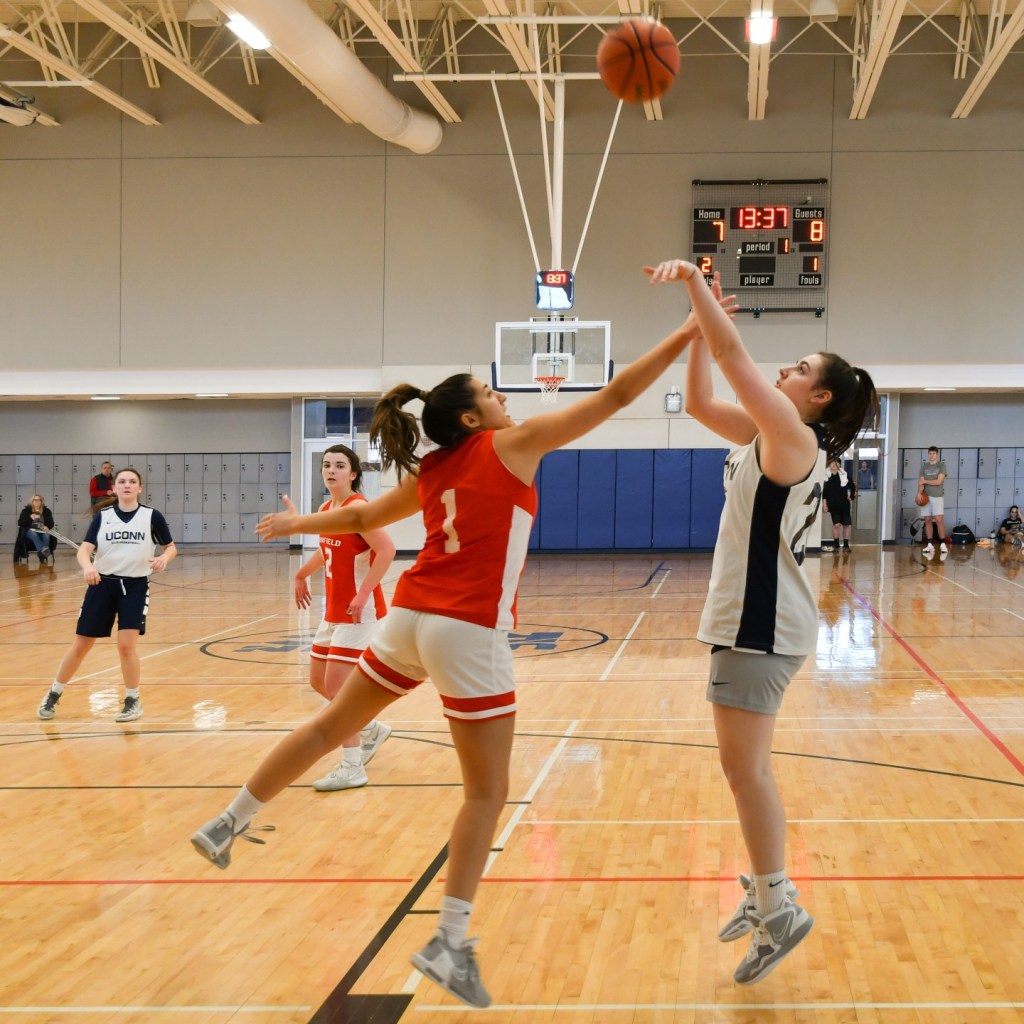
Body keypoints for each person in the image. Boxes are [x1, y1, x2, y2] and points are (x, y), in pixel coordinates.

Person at [190, 280, 737, 1009]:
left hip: (408, 616)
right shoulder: (509, 445)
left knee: (329, 727)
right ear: (475, 415)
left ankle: (229, 821)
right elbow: (614, 397)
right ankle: (449, 941)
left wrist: (295, 529)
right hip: (468, 627)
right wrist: (687, 332)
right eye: (491, 390)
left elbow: (362, 522)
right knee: (486, 791)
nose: (503, 396)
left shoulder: (435, 468)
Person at [646, 257, 878, 985]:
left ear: (820, 396)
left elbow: (731, 354)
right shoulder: (766, 437)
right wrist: (692, 330)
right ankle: (765, 891)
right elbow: (698, 400)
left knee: (745, 770)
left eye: (800, 366)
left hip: (761, 624)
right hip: (751, 623)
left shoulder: (794, 441)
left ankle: (777, 905)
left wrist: (693, 286)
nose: (785, 368)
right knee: (744, 768)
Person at [37, 467, 177, 724]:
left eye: (132, 482)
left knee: (126, 646)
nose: (126, 485)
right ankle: (54, 693)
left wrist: (163, 558)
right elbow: (84, 550)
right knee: (81, 645)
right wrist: (88, 567)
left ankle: (133, 700)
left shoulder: (151, 516)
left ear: (140, 488)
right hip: (102, 585)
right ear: (114, 488)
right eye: (121, 481)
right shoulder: (104, 517)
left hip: (134, 587)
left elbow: (170, 547)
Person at [294, 444, 396, 791]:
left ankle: (352, 766)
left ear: (353, 474)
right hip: (334, 611)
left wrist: (365, 591)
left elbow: (387, 550)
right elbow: (326, 553)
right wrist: (300, 574)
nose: (331, 470)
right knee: (318, 681)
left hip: (359, 612)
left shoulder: (360, 510)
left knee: (339, 688)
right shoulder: (327, 509)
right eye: (326, 465)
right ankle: (369, 728)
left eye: (339, 465)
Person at [918, 446, 948, 556]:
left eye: (933, 453)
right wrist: (919, 493)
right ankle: (930, 544)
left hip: (937, 496)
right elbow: (920, 483)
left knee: (939, 519)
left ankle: (943, 543)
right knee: (927, 519)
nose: (931, 455)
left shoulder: (941, 466)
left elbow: (939, 482)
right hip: (926, 496)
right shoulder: (924, 467)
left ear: (937, 454)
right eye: (930, 453)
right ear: (928, 454)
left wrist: (925, 481)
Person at [822, 460, 856, 552]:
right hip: (833, 505)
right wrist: (824, 504)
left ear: (839, 465)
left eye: (835, 463)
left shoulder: (845, 476)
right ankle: (836, 545)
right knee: (836, 525)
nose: (833, 465)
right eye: (832, 463)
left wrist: (851, 496)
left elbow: (852, 486)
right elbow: (824, 493)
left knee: (846, 525)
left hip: (844, 504)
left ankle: (846, 545)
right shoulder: (826, 477)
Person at [15, 494, 57, 564]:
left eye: (38, 500)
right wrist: (30, 518)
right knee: (34, 534)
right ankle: (44, 554)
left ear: (41, 501)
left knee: (46, 535)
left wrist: (47, 527)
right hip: (29, 531)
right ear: (32, 501)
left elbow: (51, 522)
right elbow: (20, 523)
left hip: (42, 530)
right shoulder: (26, 511)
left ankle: (42, 554)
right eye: (35, 500)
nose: (37, 501)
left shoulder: (46, 511)